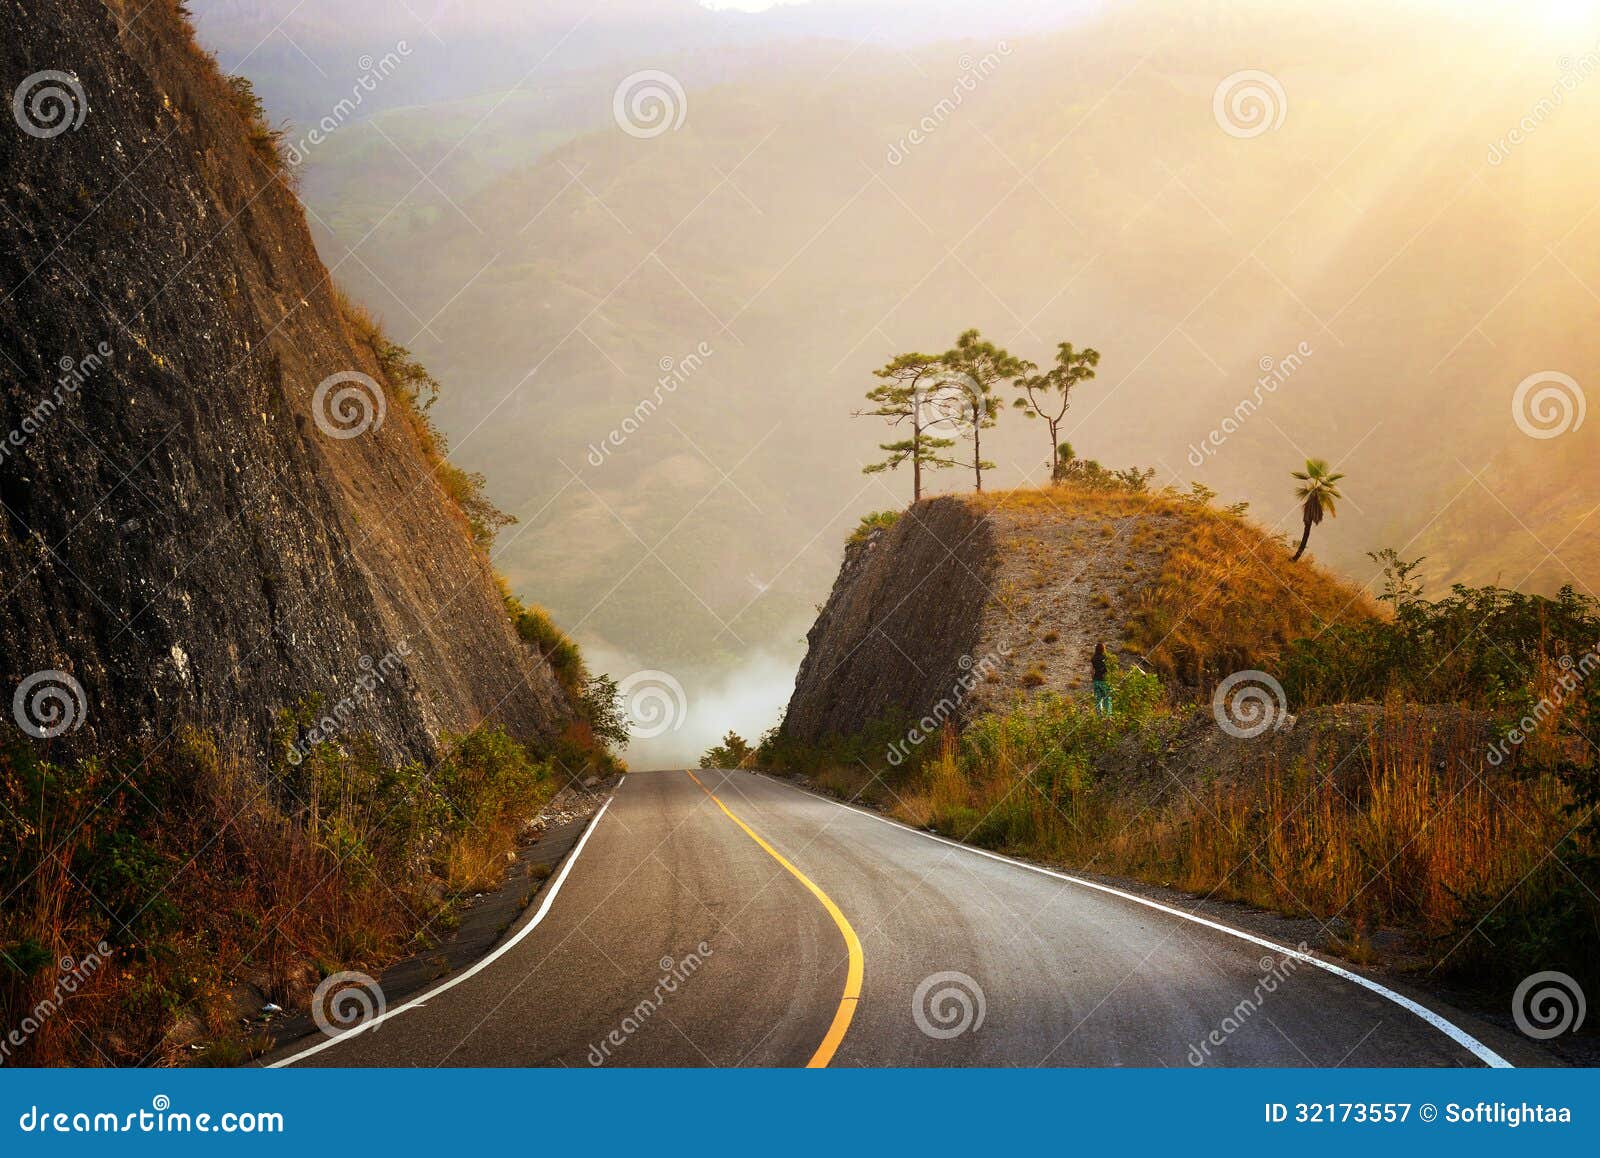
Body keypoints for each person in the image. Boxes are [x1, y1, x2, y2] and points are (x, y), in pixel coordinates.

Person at [1091, 642, 1112, 716]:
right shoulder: (1105, 658)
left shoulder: (1093, 658)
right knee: (1107, 698)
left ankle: (1099, 716)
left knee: (1098, 699)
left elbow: (1092, 670)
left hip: (1096, 680)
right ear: (1103, 649)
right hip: (1104, 680)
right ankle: (1108, 716)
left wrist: (1093, 680)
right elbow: (1108, 669)